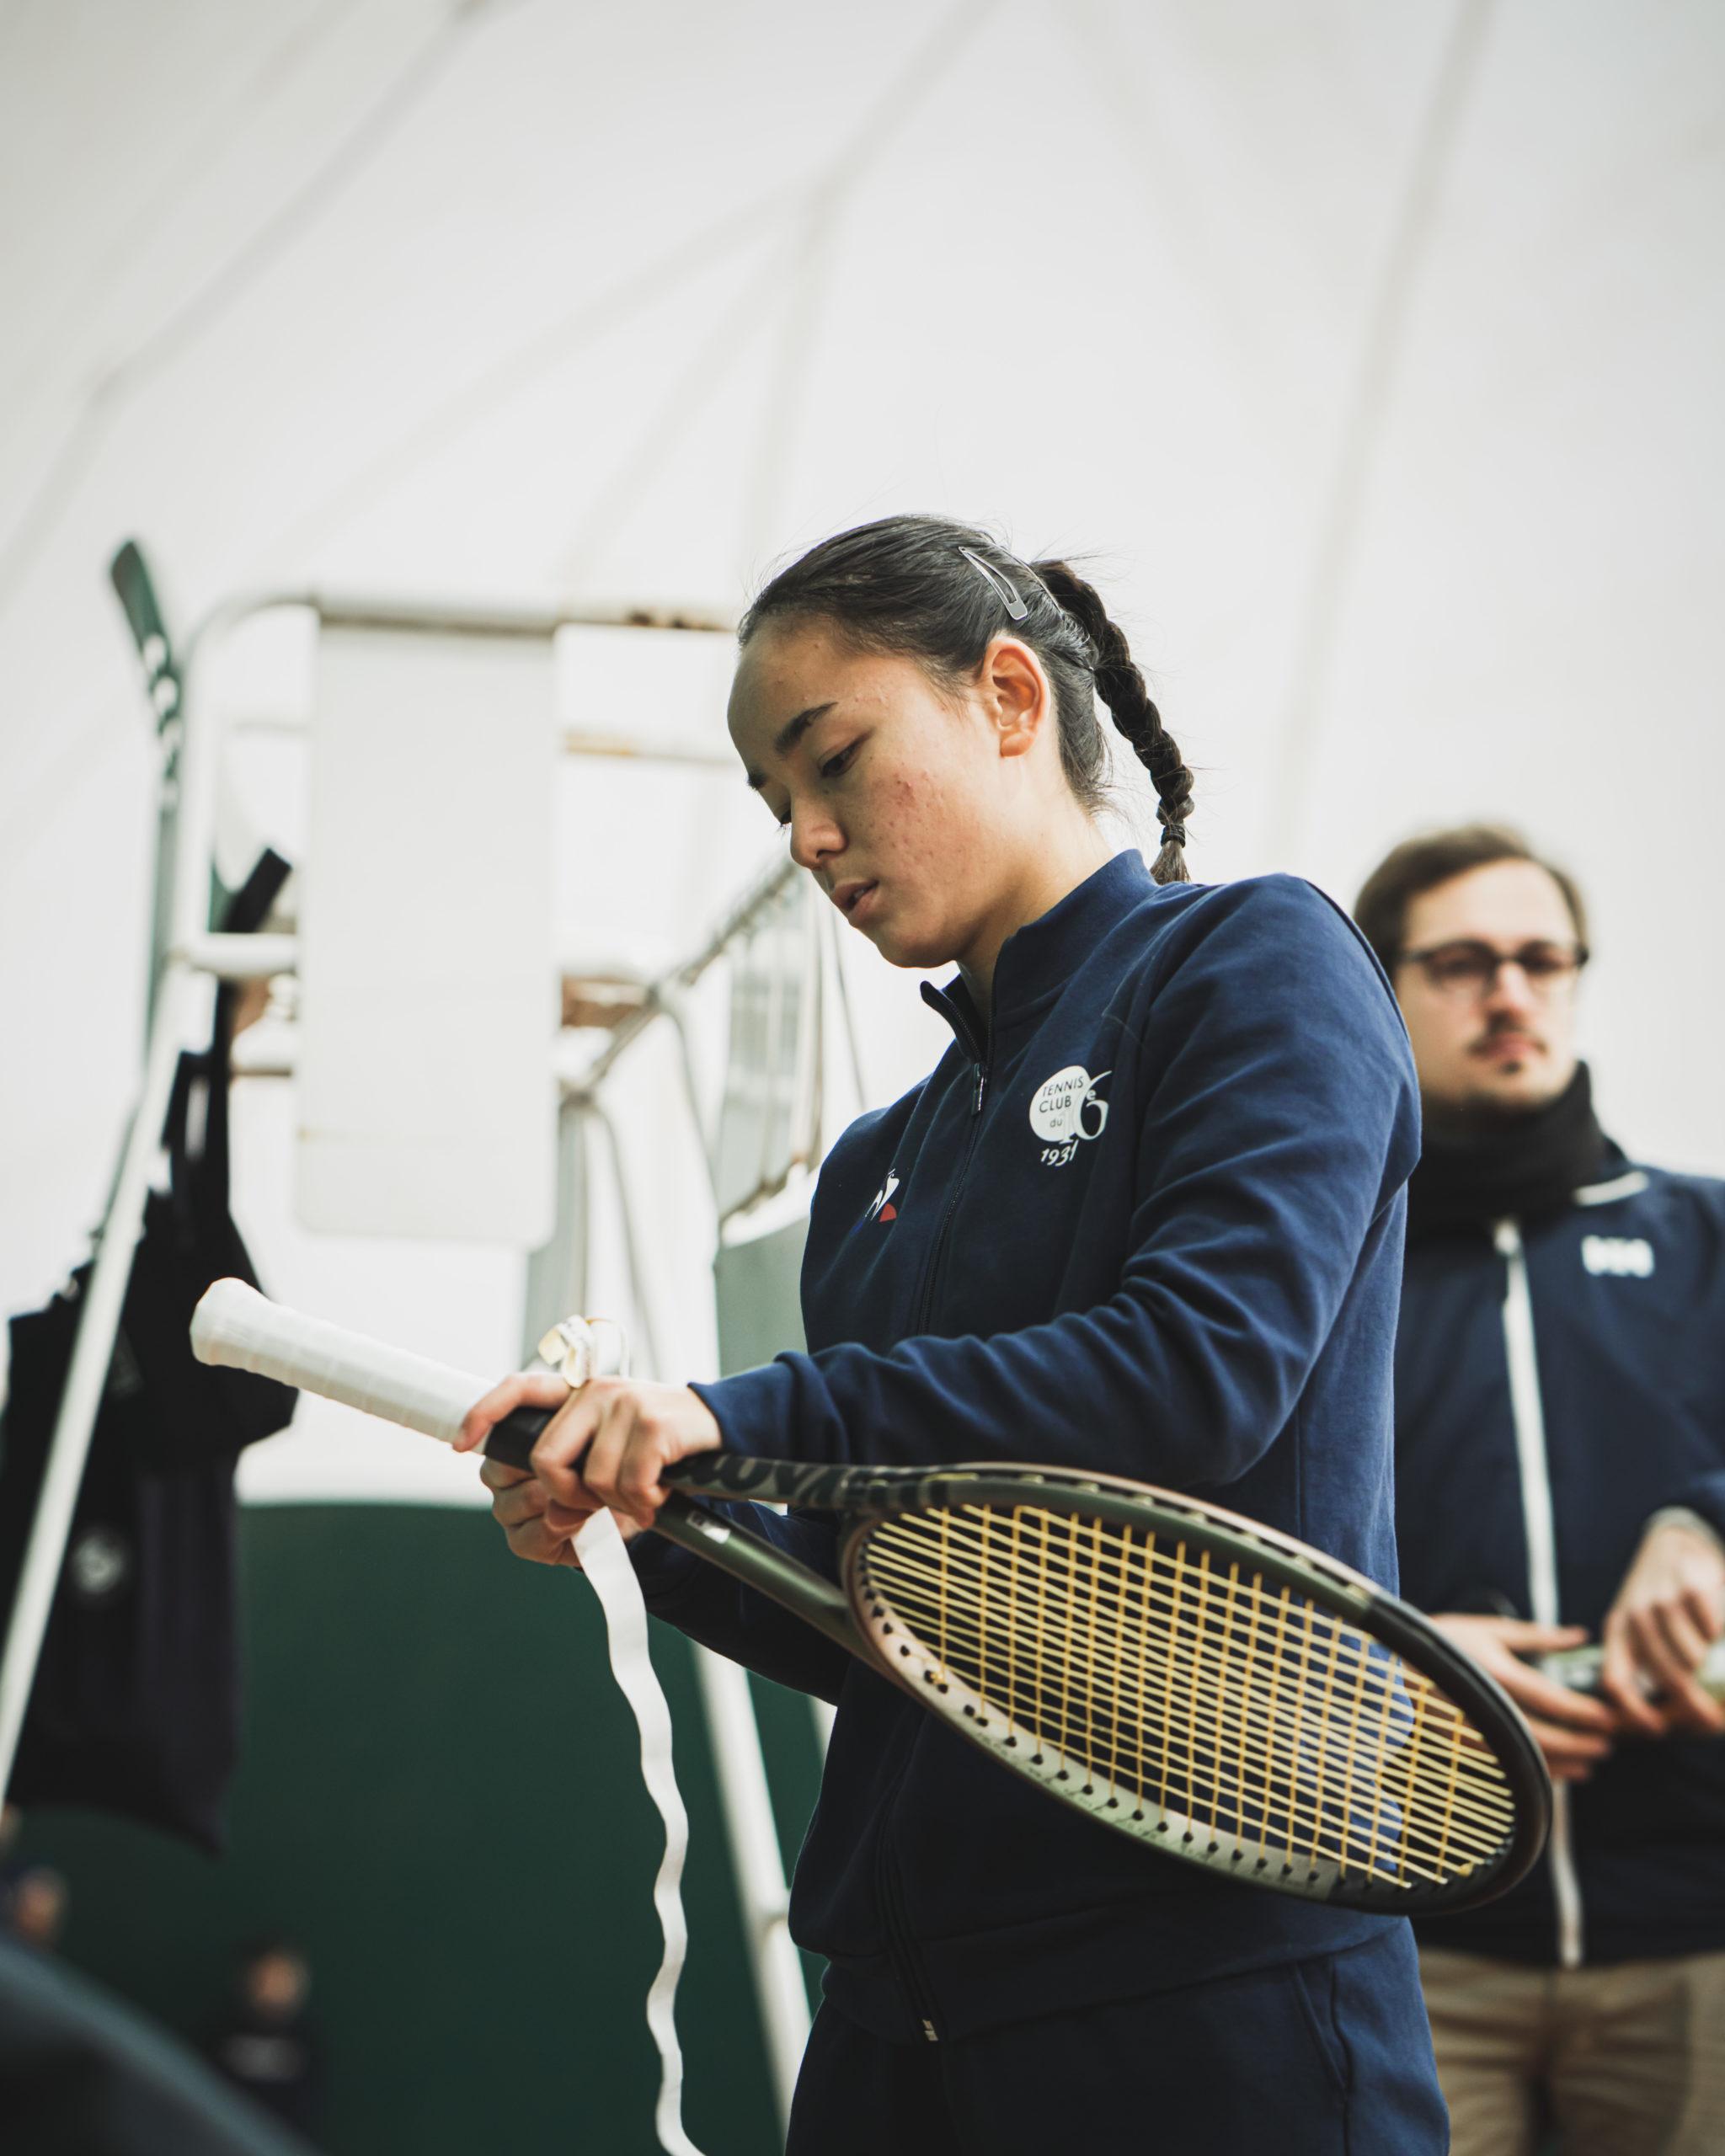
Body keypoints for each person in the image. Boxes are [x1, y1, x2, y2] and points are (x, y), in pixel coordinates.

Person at [460, 515, 1449, 2153]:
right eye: (776, 801)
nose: (805, 834)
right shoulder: (872, 1169)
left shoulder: (1255, 958)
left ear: (1005, 695)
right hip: (892, 2012)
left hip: (1207, 1990)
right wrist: (657, 1521)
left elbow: (1194, 1373)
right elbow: (890, 1612)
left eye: (832, 758)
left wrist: (741, 1407)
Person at [1353, 825, 1725, 2156]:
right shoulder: (1324, 1277)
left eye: (1539, 959)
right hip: (1414, 1943)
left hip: (1699, 1940)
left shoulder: (1703, 1233)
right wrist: (1398, 1662)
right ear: (1377, 986)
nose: (1510, 994)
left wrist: (1708, 1522)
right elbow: (1220, 1550)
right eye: (1460, 963)